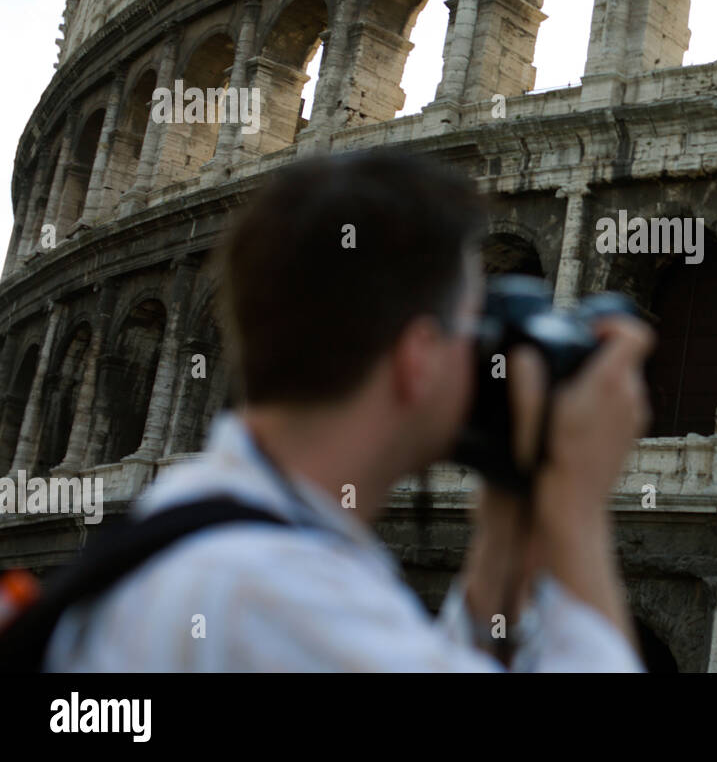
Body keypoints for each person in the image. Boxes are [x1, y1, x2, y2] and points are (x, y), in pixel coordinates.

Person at [43, 149, 655, 671]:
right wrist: (576, 509)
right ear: (418, 357)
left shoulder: (207, 518)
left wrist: (504, 534)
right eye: (472, 328)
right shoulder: (272, 593)